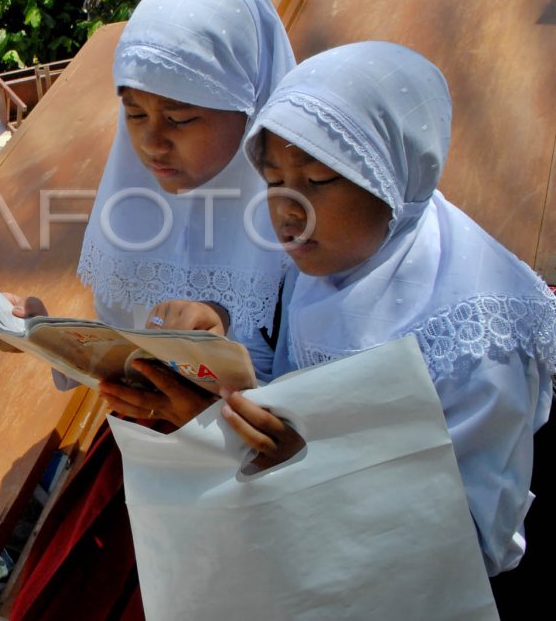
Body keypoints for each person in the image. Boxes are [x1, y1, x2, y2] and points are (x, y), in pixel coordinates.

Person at [7, 0, 295, 621]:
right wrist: (52, 336)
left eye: (182, 116)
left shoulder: (304, 235)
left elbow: (319, 428)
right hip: (136, 480)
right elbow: (124, 354)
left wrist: (210, 407)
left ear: (253, 107)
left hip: (248, 525)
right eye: (134, 113)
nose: (151, 141)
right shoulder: (141, 205)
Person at [210, 41, 554, 577]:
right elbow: (286, 397)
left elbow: (475, 543)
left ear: (394, 177)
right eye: (273, 180)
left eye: (318, 181)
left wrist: (312, 474)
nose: (286, 209)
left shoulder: (477, 338)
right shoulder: (317, 271)